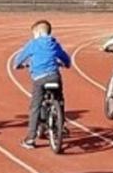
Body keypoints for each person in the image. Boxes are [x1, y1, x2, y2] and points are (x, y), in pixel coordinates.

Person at [14, 20, 71, 149]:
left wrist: (19, 65)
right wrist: (66, 64)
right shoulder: (54, 43)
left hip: (39, 78)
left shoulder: (33, 44)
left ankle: (30, 139)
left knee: (35, 107)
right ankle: (61, 125)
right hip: (54, 76)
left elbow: (18, 60)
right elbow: (65, 58)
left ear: (38, 33)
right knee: (59, 98)